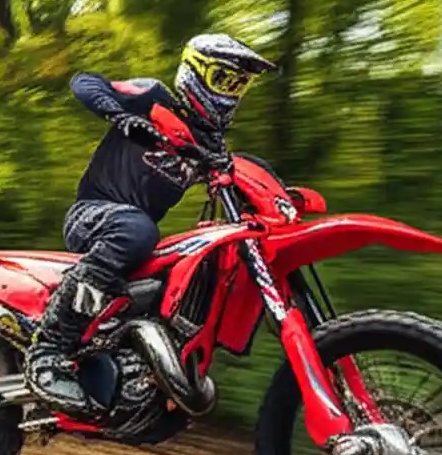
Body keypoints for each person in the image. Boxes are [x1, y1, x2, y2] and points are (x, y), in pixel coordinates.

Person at [24, 33, 277, 413]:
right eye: (224, 80)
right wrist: (122, 116)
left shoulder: (210, 148)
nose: (231, 93)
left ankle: (139, 370)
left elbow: (239, 178)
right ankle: (47, 352)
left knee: (194, 264)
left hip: (133, 234)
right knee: (139, 230)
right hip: (92, 215)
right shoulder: (152, 98)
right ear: (196, 74)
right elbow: (85, 82)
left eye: (239, 85)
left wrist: (275, 194)